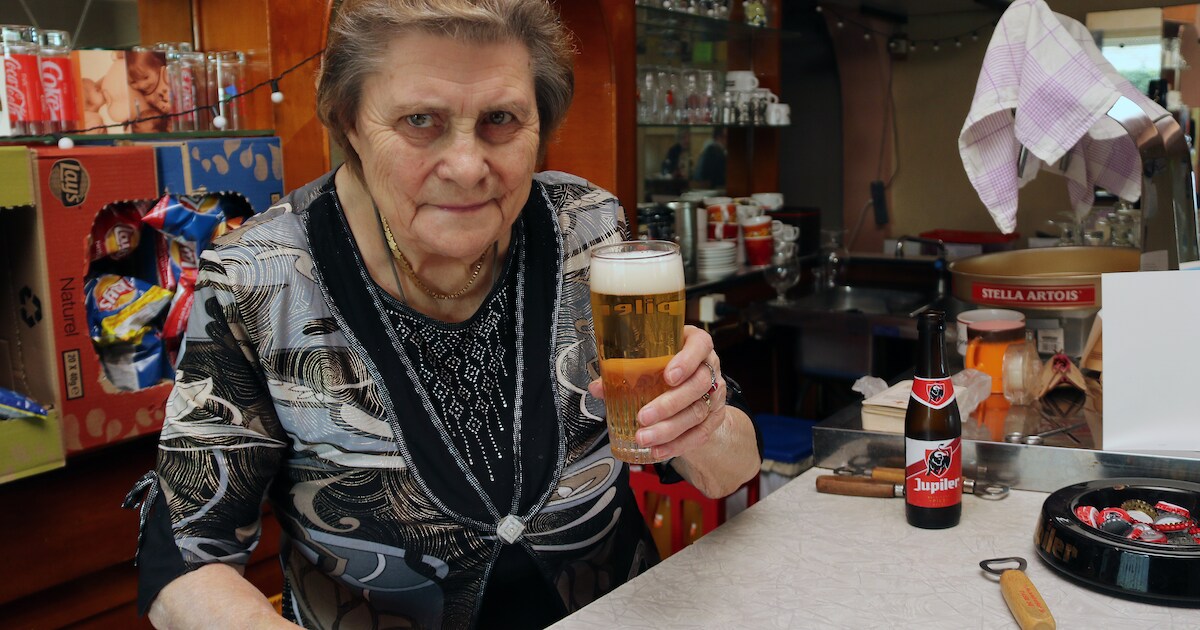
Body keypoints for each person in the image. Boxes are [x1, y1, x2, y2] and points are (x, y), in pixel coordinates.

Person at [125, 1, 761, 628]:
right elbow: (186, 556)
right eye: (420, 119)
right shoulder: (258, 277)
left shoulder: (587, 229)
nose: (467, 166)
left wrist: (703, 422)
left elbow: (731, 471)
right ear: (348, 120)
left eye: (502, 119)